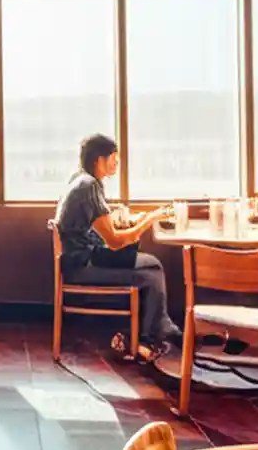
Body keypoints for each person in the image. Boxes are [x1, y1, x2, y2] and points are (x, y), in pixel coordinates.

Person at [55, 134, 179, 356]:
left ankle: (152, 332)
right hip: (84, 266)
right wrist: (150, 220)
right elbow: (113, 241)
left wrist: (136, 219)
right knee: (153, 269)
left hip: (81, 258)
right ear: (99, 160)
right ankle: (149, 337)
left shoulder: (81, 180)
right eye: (113, 158)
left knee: (151, 268)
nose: (116, 163)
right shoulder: (89, 186)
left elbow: (101, 223)